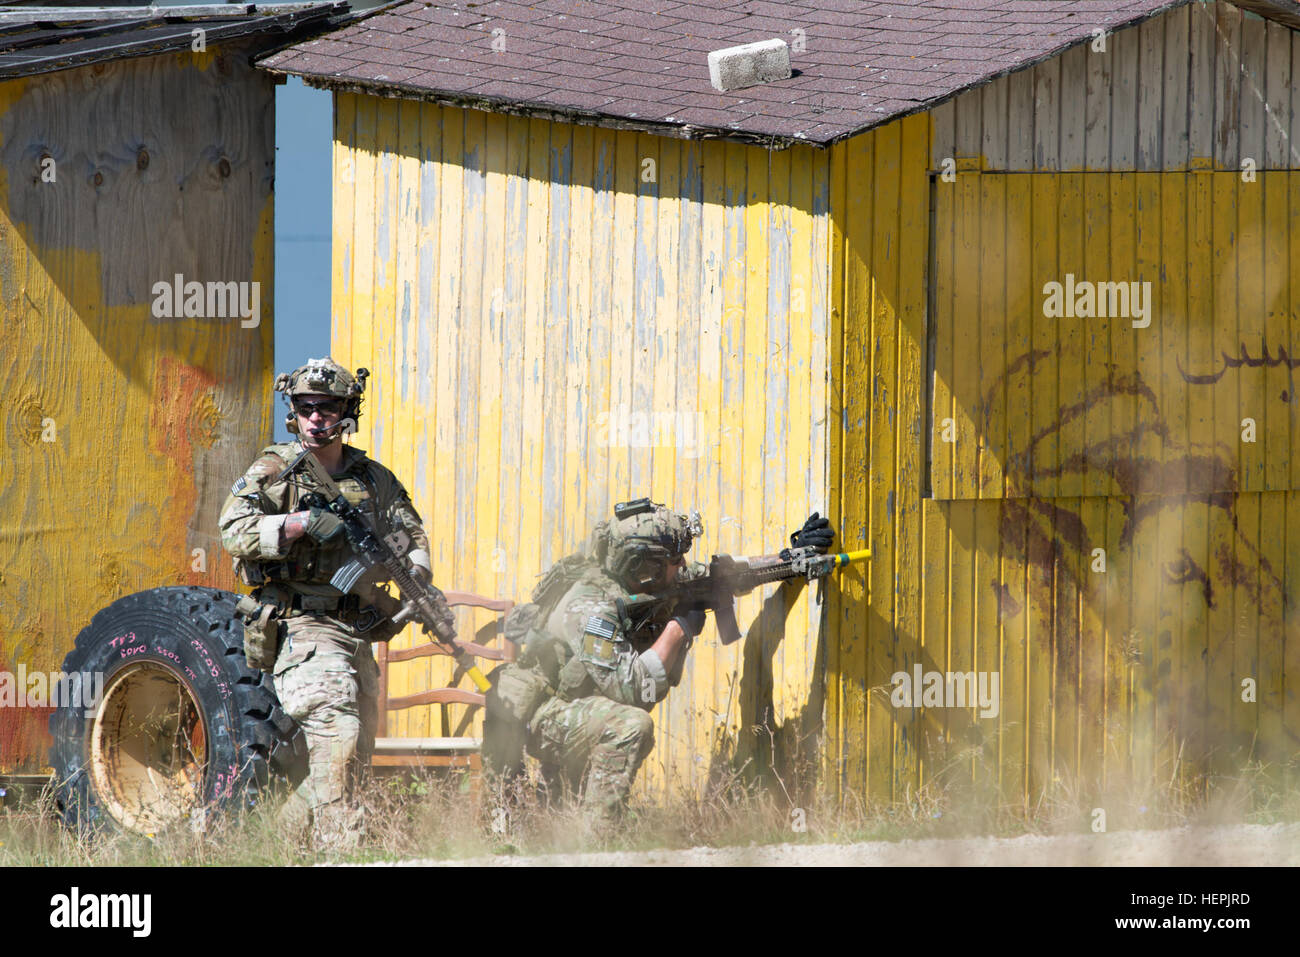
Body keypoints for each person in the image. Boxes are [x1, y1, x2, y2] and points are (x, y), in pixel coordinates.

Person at [497, 498, 834, 827]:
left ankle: (558, 821)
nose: (684, 566)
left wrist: (792, 556)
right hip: (545, 713)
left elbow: (727, 575)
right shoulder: (589, 606)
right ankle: (596, 836)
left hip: (581, 703)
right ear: (643, 566)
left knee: (561, 803)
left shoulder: (652, 582)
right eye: (675, 559)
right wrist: (679, 627)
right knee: (629, 726)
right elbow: (632, 688)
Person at [218, 357, 432, 850]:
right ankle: (341, 853)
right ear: (294, 411)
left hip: (355, 628)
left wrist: (418, 577)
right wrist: (297, 524)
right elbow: (232, 530)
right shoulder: (275, 469)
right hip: (300, 623)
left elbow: (410, 532)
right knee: (339, 733)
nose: (316, 417)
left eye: (327, 407)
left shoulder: (373, 478)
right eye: (305, 407)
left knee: (354, 756)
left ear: (347, 410)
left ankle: (269, 846)